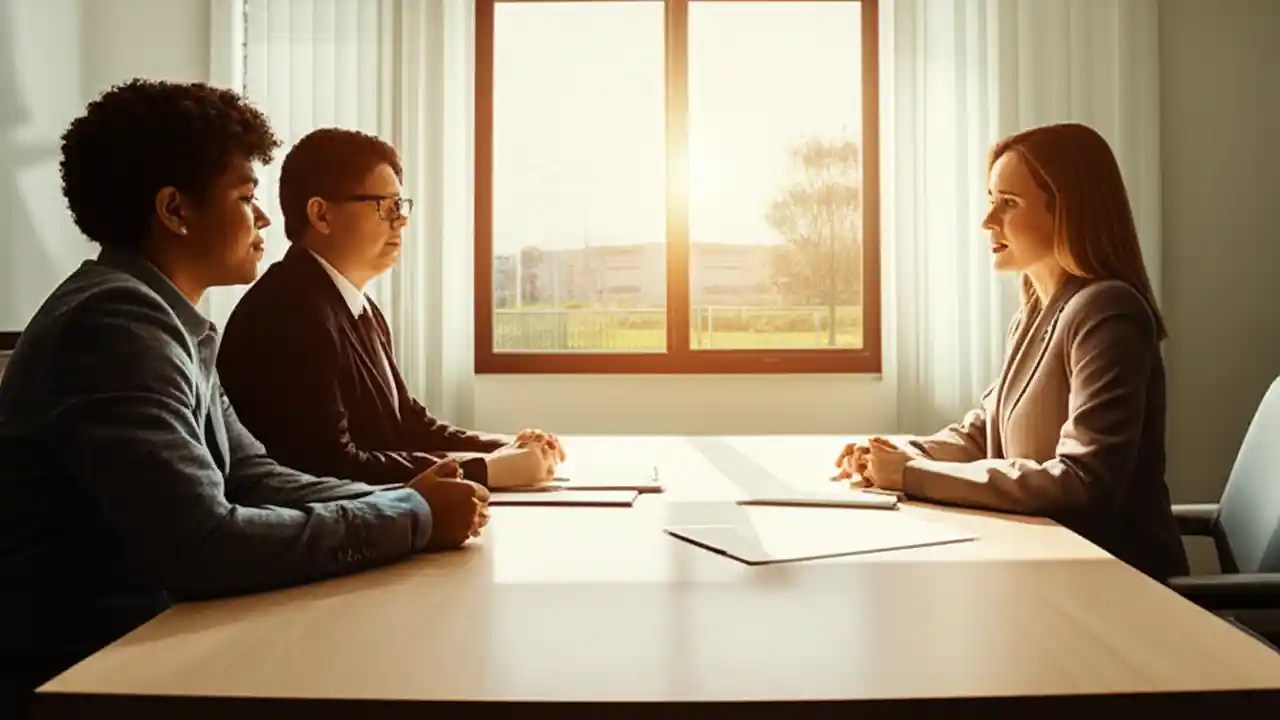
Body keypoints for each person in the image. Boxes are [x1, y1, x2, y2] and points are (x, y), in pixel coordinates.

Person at [0, 80, 487, 718]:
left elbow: (253, 475)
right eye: (246, 196)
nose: (263, 219)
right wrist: (412, 518)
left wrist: (405, 499)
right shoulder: (115, 324)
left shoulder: (167, 319)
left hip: (149, 642)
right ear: (175, 210)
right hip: (85, 669)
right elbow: (203, 542)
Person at [836, 123, 1188, 580]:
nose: (988, 221)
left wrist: (911, 475)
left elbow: (1083, 483)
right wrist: (894, 453)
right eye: (991, 201)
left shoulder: (1108, 312)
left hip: (1116, 584)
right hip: (1051, 566)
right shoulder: (1036, 311)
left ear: (1068, 210)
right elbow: (984, 434)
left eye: (1009, 203)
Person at [218, 128, 563, 489]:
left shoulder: (352, 303)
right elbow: (329, 464)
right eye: (385, 205)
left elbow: (409, 426)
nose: (401, 220)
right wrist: (487, 470)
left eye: (402, 205)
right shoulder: (289, 312)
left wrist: (509, 446)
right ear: (321, 215)